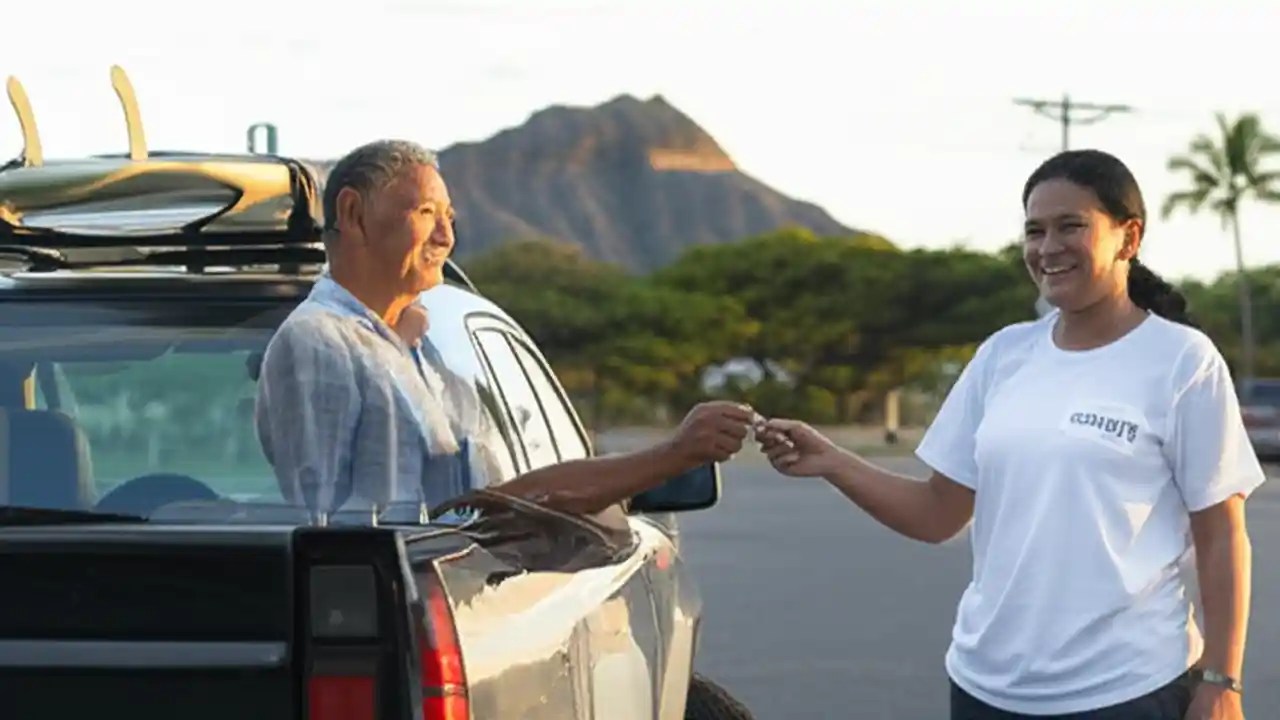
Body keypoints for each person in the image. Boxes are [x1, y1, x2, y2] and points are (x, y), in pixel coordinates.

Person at [756, 149, 1264, 720]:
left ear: (1129, 237)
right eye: (1034, 230)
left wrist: (1223, 680)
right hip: (986, 687)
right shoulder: (1004, 355)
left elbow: (1222, 535)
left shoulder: (1180, 360)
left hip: (1127, 688)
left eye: (1071, 226)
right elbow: (936, 513)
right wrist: (833, 461)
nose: (1048, 247)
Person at [255, 139, 753, 518]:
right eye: (426, 213)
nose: (447, 236)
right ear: (353, 214)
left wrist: (671, 455)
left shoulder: (416, 348)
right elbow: (336, 534)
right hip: (416, 617)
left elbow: (487, 501)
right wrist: (671, 454)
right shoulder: (319, 342)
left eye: (449, 217)